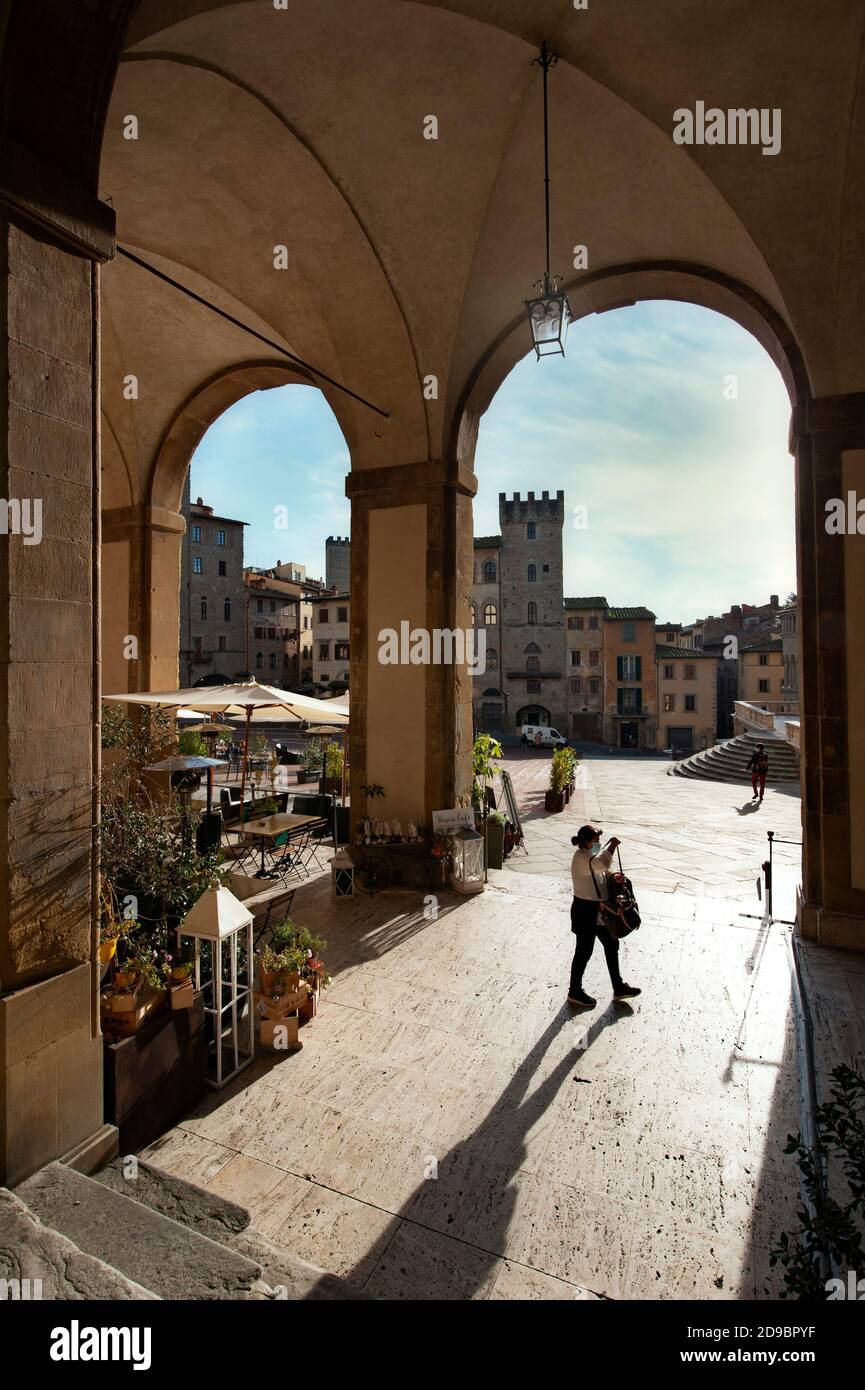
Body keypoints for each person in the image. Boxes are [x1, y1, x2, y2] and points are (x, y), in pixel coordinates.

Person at [567, 824, 641, 1008]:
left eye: (600, 842)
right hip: (585, 911)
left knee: (611, 944)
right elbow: (602, 864)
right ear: (586, 843)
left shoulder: (589, 857)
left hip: (598, 911)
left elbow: (603, 872)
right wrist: (612, 846)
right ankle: (574, 991)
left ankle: (618, 986)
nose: (598, 845)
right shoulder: (581, 858)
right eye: (596, 841)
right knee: (584, 951)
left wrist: (614, 877)